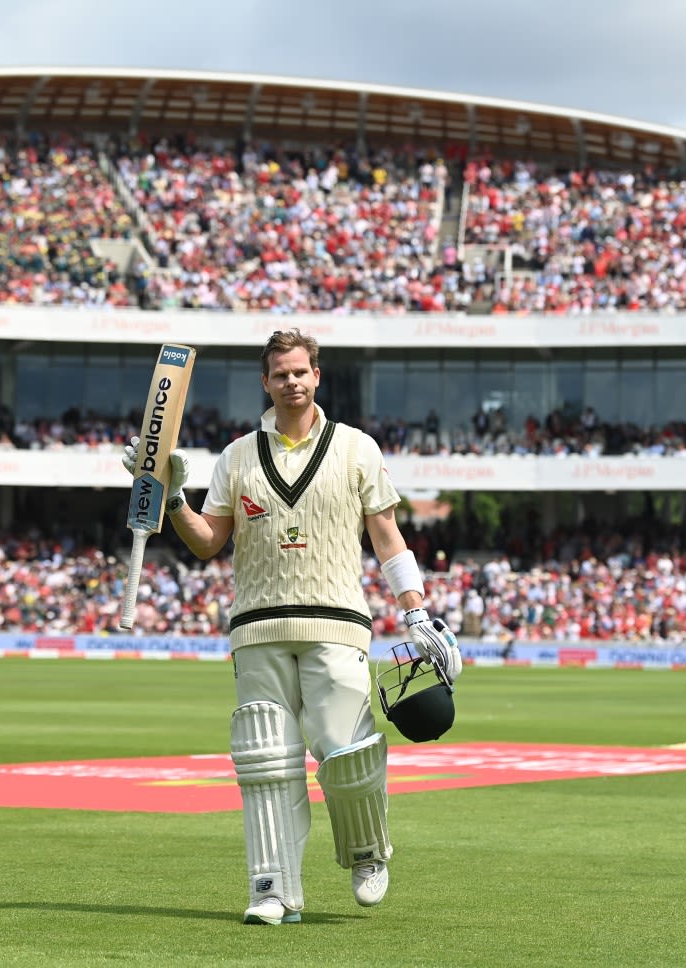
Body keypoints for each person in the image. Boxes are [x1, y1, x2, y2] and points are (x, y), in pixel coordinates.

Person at [123, 328, 462, 925]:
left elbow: (387, 535)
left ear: (316, 376)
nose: (292, 382)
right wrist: (174, 498)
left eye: (301, 372)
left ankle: (366, 852)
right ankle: (274, 890)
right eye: (281, 374)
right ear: (267, 381)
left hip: (337, 623)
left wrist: (413, 608)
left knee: (346, 749)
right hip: (257, 627)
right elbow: (207, 543)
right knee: (267, 760)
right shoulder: (235, 457)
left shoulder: (357, 449)